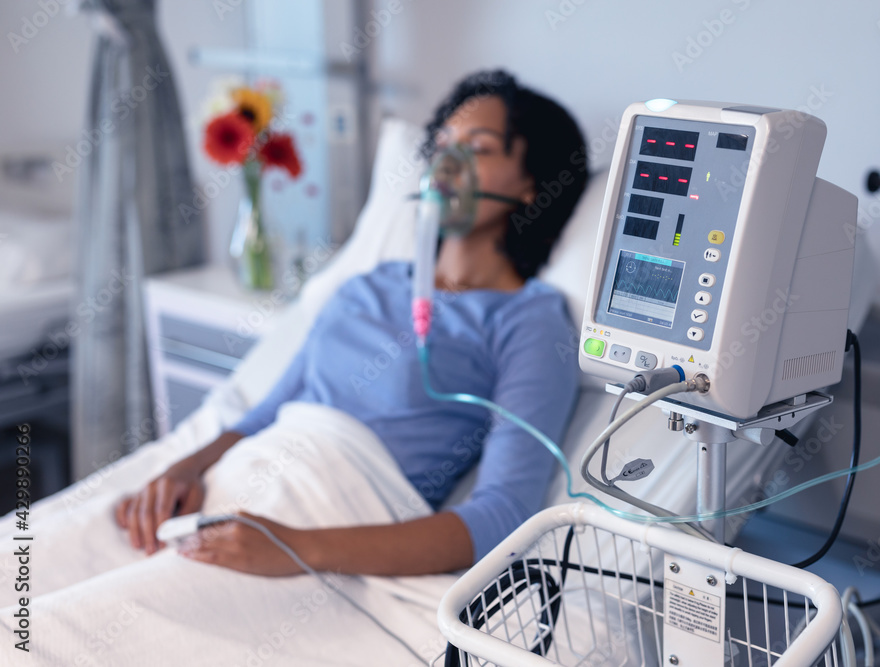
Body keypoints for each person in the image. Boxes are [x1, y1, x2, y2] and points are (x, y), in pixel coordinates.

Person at [111, 69, 589, 578]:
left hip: (329, 519)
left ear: (532, 186)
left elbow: (502, 516)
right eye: (445, 143)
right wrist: (183, 468)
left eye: (480, 147)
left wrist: (297, 550)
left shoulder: (529, 321)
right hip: (241, 489)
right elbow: (267, 413)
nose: (450, 164)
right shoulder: (367, 284)